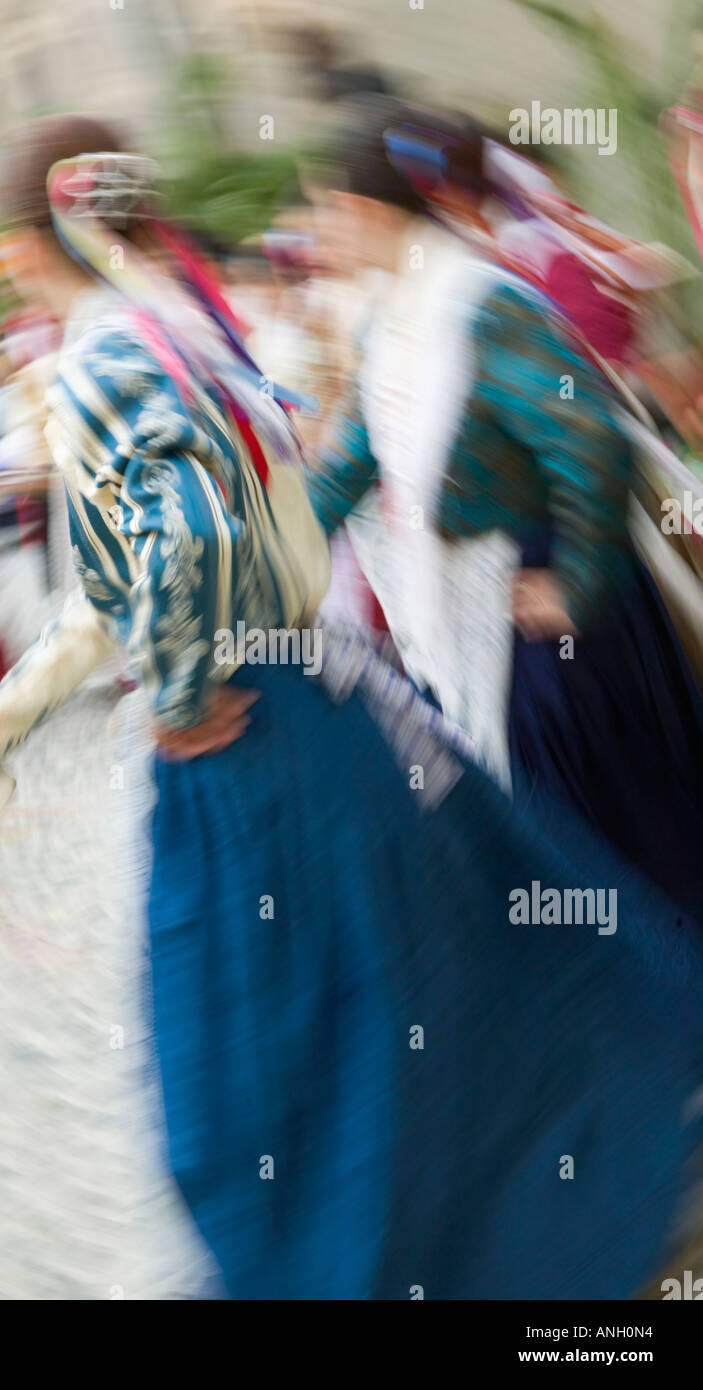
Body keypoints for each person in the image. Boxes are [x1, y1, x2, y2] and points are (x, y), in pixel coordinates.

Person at [0, 114, 703, 1299]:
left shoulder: (102, 360)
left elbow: (180, 542)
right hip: (325, 689)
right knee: (415, 986)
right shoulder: (188, 331)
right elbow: (239, 521)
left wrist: (182, 697)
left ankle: (398, 1252)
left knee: (264, 1070)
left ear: (29, 243)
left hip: (249, 735)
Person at [305, 96, 703, 924]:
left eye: (323, 208)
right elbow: (350, 465)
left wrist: (574, 584)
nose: (315, 233)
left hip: (552, 630)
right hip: (483, 614)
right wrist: (251, 557)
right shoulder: (393, 322)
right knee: (565, 857)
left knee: (612, 851)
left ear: (366, 207)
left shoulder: (483, 305)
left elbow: (590, 442)